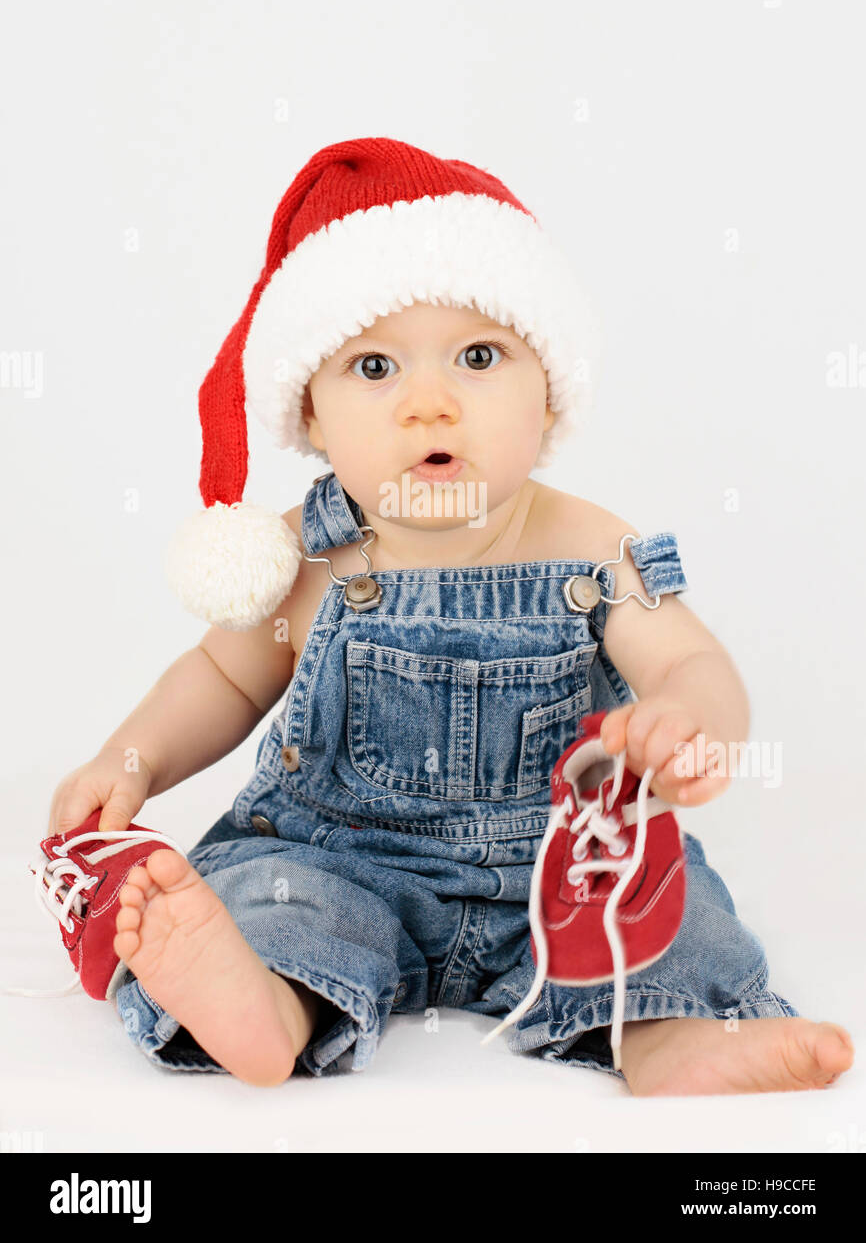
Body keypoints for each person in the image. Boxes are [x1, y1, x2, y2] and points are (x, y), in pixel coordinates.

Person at [48, 137, 853, 1093]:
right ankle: (261, 1001)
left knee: (671, 918)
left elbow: (692, 661)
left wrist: (687, 724)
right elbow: (222, 678)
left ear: (547, 395)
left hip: (558, 869)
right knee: (279, 903)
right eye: (375, 367)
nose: (429, 405)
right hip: (340, 857)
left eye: (479, 355)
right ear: (311, 413)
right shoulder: (309, 553)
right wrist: (129, 758)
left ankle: (673, 1037)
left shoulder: (594, 545)